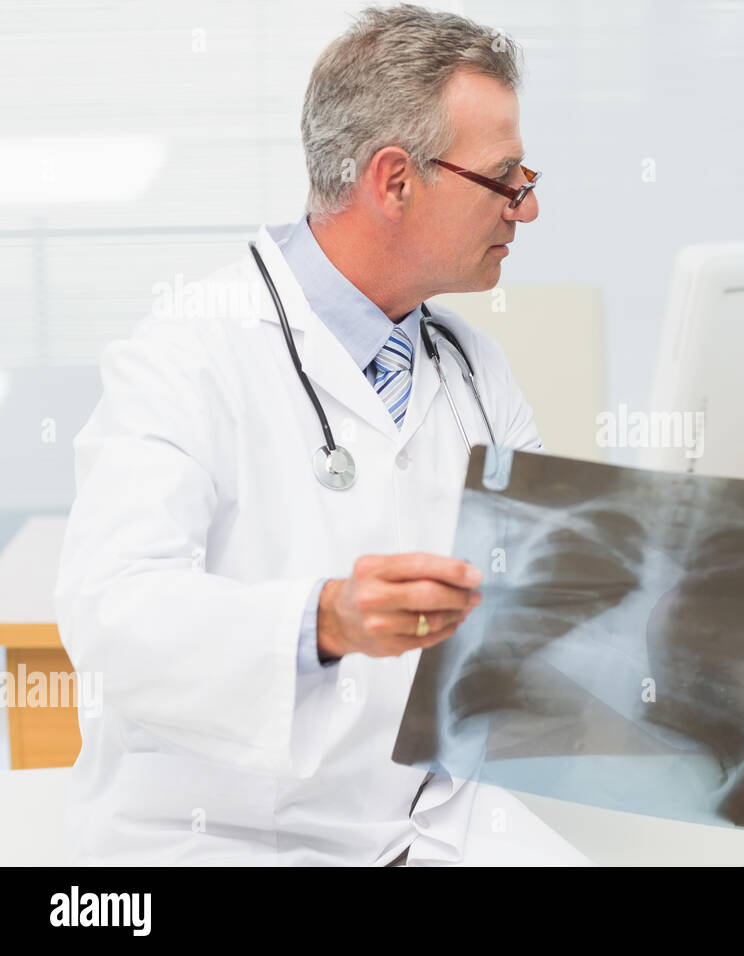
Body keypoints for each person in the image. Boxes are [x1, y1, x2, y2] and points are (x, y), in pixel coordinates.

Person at [53, 5, 587, 866]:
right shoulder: (189, 352)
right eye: (505, 179)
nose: (526, 208)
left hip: (428, 826)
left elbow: (543, 602)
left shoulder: (475, 373)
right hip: (217, 840)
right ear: (394, 180)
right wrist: (322, 619)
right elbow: (111, 613)